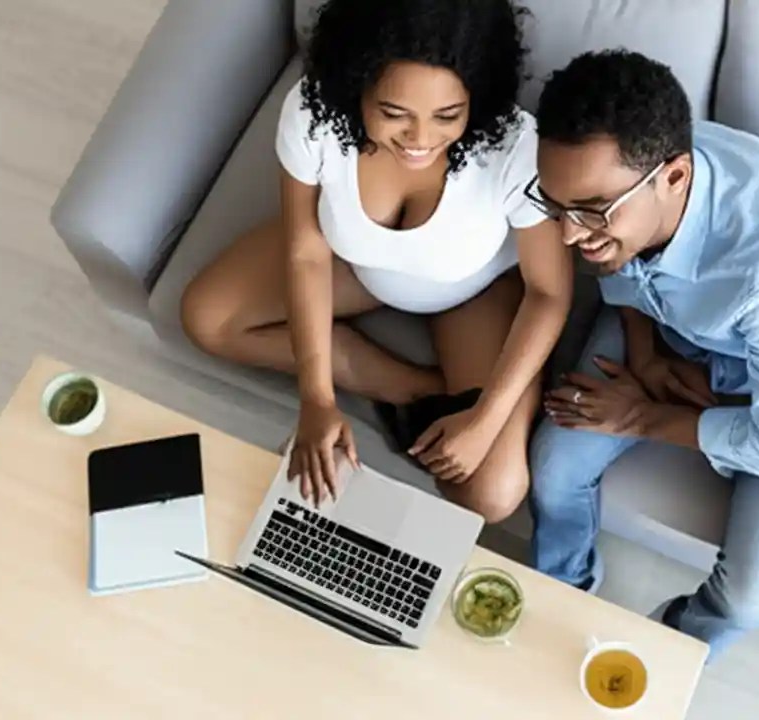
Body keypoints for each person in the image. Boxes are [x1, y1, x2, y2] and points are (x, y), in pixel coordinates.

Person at [525, 50, 759, 657]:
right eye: (554, 205)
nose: (566, 235)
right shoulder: (635, 180)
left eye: (590, 211)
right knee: (554, 467)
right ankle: (559, 600)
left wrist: (642, 415)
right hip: (676, 324)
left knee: (755, 590)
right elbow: (621, 265)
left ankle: (671, 652)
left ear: (674, 177)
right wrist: (643, 360)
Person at [180, 0, 570, 522]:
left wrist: (484, 418)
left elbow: (549, 293)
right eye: (394, 114)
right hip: (354, 262)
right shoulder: (314, 111)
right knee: (207, 318)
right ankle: (409, 388)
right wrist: (315, 397)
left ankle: (438, 395)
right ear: (356, 82)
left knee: (490, 494)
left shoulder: (517, 147)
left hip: (472, 290)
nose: (420, 140)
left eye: (447, 116)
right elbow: (306, 249)